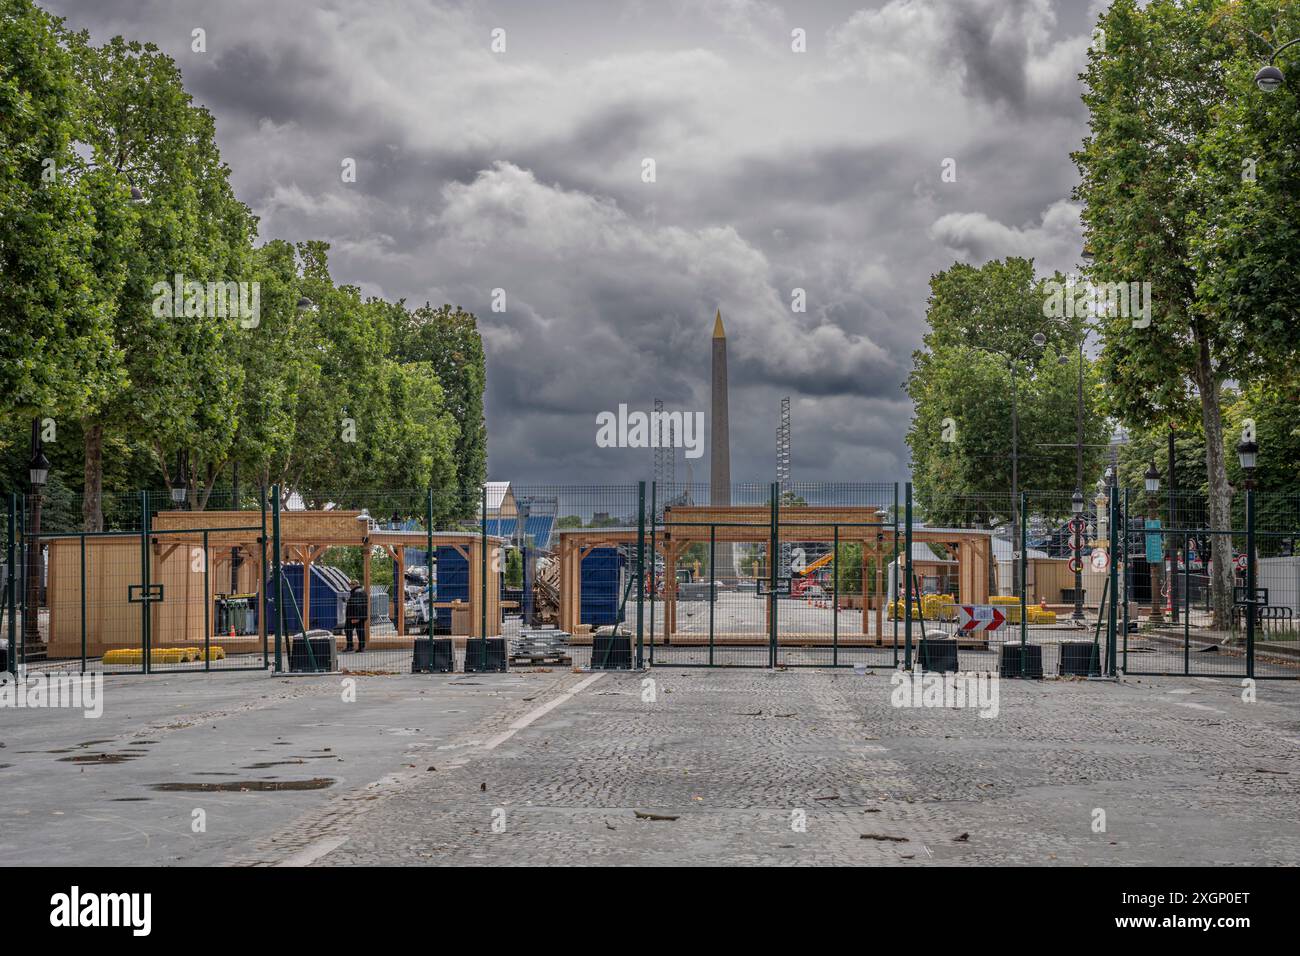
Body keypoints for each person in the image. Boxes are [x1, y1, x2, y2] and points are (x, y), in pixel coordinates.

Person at [344, 579, 367, 652]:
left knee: (348, 630)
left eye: (351, 584)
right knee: (360, 631)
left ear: (355, 585)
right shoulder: (362, 591)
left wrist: (356, 617)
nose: (350, 586)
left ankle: (350, 646)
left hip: (353, 616)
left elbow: (357, 605)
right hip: (361, 616)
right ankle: (361, 647)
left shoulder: (356, 593)